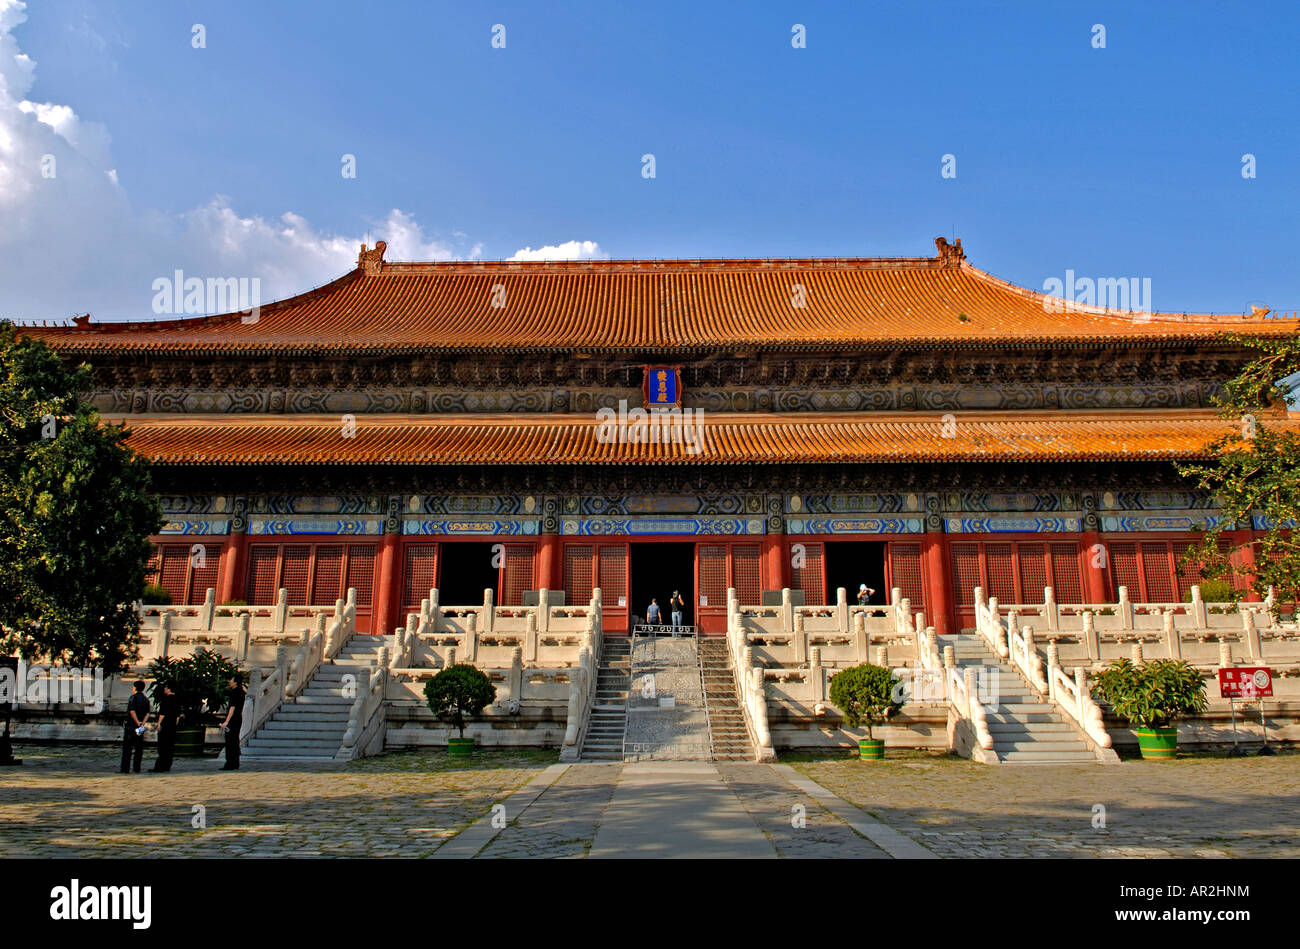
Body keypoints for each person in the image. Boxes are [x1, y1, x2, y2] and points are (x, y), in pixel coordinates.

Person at [120, 680, 150, 774]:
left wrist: (137, 722)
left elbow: (132, 711)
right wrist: (142, 723)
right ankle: (137, 767)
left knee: (127, 748)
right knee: (138, 748)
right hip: (140, 727)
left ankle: (125, 768)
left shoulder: (133, 698)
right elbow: (147, 713)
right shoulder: (146, 699)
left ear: (135, 688)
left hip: (131, 726)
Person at [150, 684, 180, 772]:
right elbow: (178, 715)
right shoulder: (177, 700)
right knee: (170, 746)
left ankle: (160, 766)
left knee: (162, 746)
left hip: (165, 724)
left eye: (166, 688)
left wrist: (159, 724)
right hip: (172, 725)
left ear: (169, 689)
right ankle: (167, 765)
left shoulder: (165, 699)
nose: (165, 689)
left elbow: (162, 713)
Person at [218, 676, 246, 771]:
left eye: (231, 680)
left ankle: (229, 763)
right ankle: (235, 762)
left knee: (230, 741)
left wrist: (226, 721)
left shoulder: (234, 692)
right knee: (235, 740)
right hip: (238, 718)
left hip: (233, 718)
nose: (229, 682)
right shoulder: (242, 692)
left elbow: (232, 708)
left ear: (235, 682)